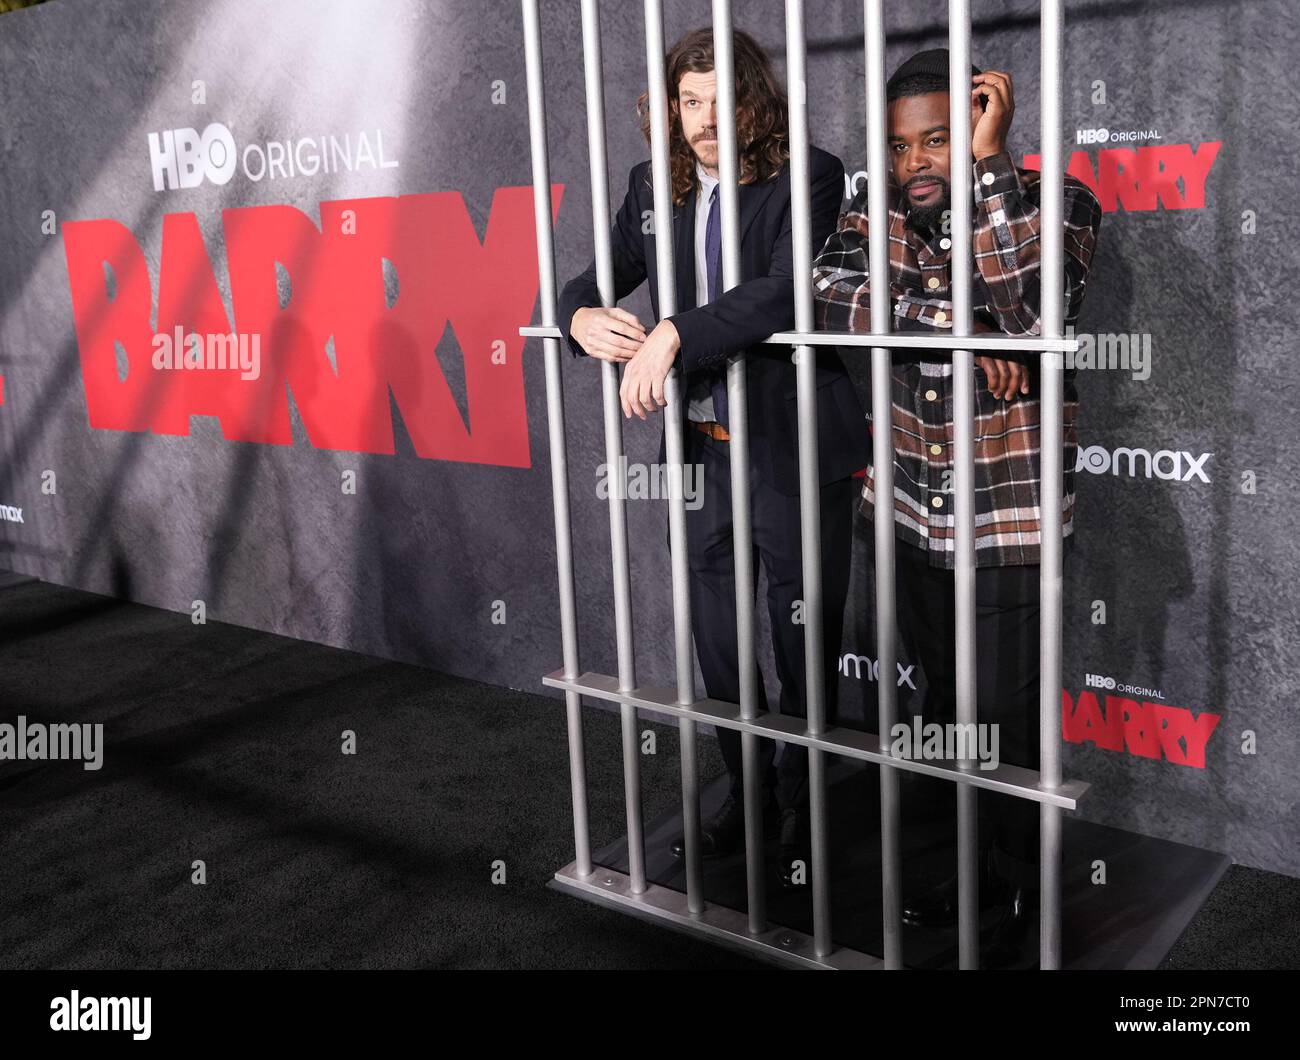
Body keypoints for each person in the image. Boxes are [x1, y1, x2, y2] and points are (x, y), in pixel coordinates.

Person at [558, 27, 870, 888]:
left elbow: (783, 288)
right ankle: (750, 792)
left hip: (796, 447)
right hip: (702, 452)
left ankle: (806, 802)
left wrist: (674, 333)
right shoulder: (652, 186)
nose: (702, 120)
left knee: (801, 635)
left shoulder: (807, 173)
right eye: (686, 101)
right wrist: (578, 320)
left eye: (718, 100)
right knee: (720, 643)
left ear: (753, 102)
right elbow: (589, 281)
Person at [811, 47, 1102, 965]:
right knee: (945, 704)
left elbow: (1032, 297)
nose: (915, 165)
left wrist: (988, 167)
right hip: (903, 514)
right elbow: (835, 296)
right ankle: (970, 871)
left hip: (1005, 521)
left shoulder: (1060, 201)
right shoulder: (873, 211)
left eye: (938, 140)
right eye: (901, 149)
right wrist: (970, 330)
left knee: (1007, 721)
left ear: (983, 118)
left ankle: (1018, 888)